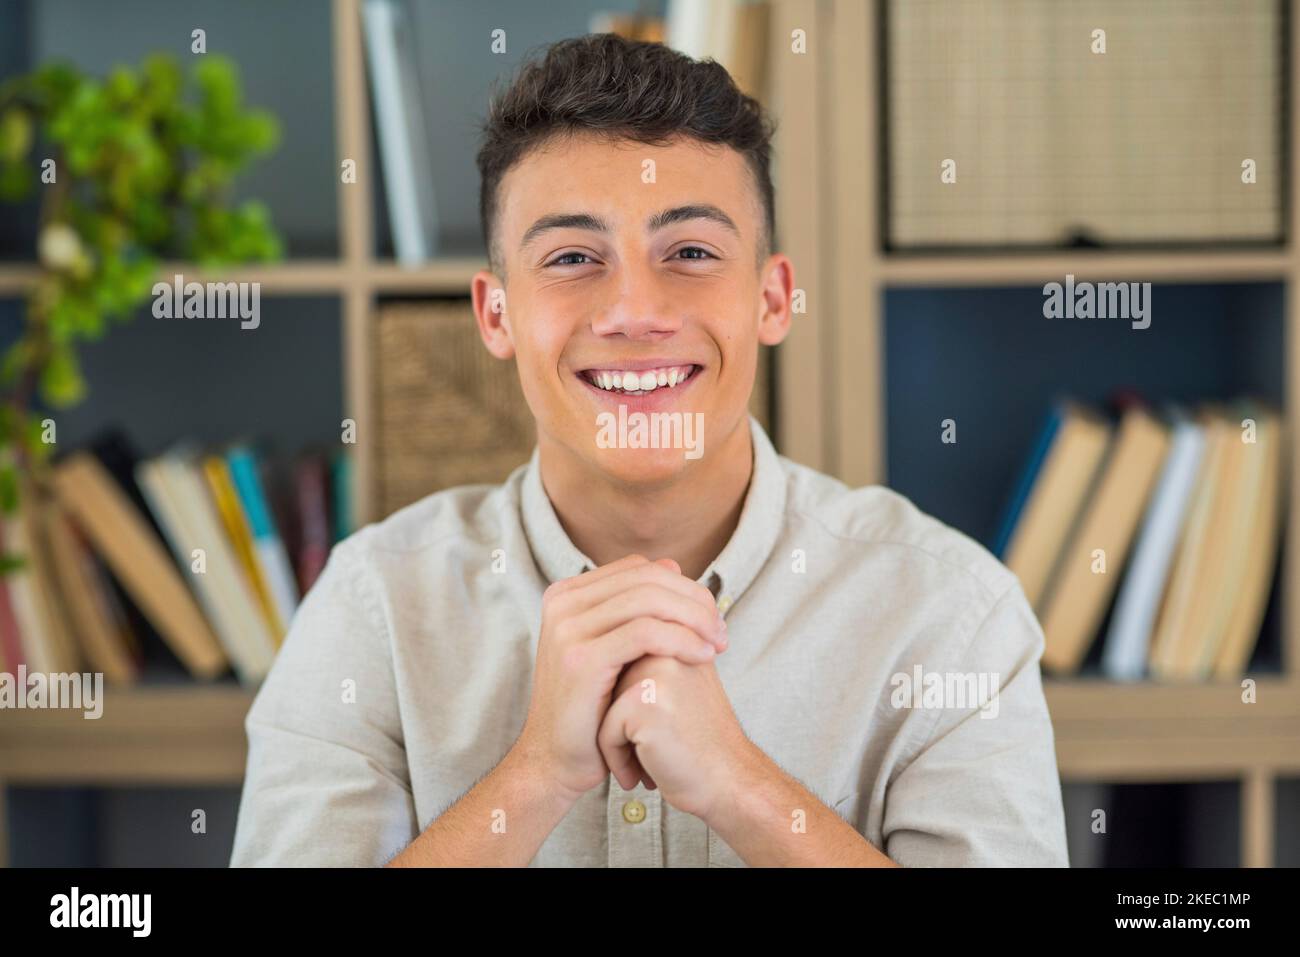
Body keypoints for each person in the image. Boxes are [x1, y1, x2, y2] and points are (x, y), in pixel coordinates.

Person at [230, 33, 1068, 868]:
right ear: (496, 316)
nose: (635, 309)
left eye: (692, 252)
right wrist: (536, 776)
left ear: (772, 298)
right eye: (571, 257)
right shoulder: (371, 607)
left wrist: (741, 788)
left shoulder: (951, 614)